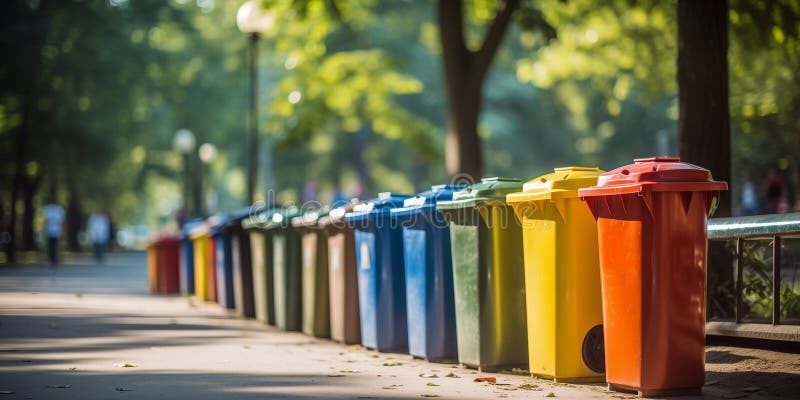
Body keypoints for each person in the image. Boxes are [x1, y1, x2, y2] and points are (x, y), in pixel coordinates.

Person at [43, 200, 65, 265]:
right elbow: (62, 222)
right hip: (54, 230)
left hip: (53, 230)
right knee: (53, 246)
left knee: (52, 246)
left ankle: (53, 259)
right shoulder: (59, 210)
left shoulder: (48, 209)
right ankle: (53, 259)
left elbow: (46, 221)